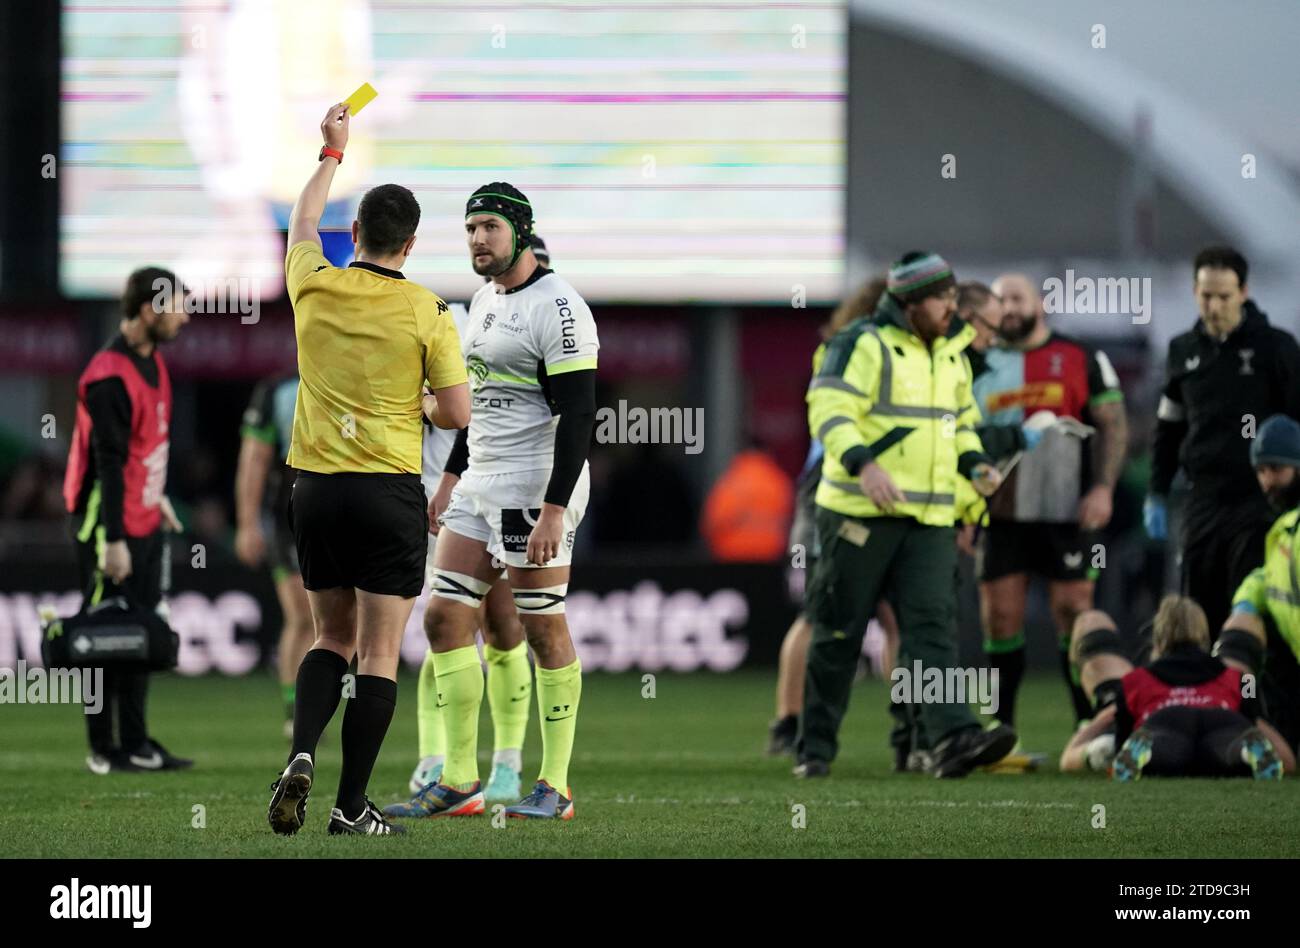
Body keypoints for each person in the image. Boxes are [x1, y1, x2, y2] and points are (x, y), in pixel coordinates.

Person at [266, 102, 470, 837]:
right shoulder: (428, 310)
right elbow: (458, 411)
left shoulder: (312, 282)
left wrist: (333, 153)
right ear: (409, 245)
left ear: (353, 235)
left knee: (329, 638)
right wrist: (420, 404)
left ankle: (299, 753)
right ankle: (351, 807)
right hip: (387, 492)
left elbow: (299, 222)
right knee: (380, 650)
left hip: (314, 489)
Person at [418, 182, 598, 820]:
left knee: (541, 625)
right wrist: (450, 476)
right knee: (443, 617)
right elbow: (481, 403)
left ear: (520, 231)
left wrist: (554, 508)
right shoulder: (482, 299)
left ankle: (555, 785)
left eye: (490, 227)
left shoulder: (561, 306)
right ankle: (460, 778)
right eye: (471, 229)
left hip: (533, 484)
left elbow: (580, 415)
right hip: (479, 481)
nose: (478, 240)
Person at [798, 251, 1015, 779]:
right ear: (911, 302)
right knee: (838, 631)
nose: (950, 306)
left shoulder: (953, 354)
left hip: (930, 519)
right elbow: (827, 410)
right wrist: (864, 466)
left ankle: (952, 738)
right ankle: (815, 749)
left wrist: (977, 464)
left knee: (932, 629)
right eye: (941, 297)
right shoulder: (861, 344)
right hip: (858, 512)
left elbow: (961, 425)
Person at [391, 235, 557, 814]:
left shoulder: (550, 327)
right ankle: (437, 759)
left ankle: (508, 760)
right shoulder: (461, 317)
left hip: (515, 487)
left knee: (507, 622)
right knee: (445, 619)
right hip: (444, 492)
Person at [973, 272, 1128, 729]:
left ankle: (1087, 724)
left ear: (1039, 303)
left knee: (1073, 611)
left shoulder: (1080, 355)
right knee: (1000, 617)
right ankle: (1001, 730)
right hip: (999, 511)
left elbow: (1113, 424)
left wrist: (1103, 488)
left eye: (1017, 297)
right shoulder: (977, 361)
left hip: (1068, 511)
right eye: (1000, 300)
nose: (1009, 307)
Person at [62, 266, 193, 774]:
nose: (184, 316)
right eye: (177, 306)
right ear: (148, 311)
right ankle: (102, 748)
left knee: (140, 630)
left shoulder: (152, 361)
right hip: (106, 521)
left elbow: (145, 448)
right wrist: (111, 540)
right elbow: (108, 464)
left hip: (142, 514)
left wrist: (155, 497)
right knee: (102, 634)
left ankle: (136, 743)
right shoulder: (108, 375)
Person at [1146, 246, 1300, 636]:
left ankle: (1251, 695)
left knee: (1248, 608)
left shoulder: (1276, 348)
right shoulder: (1182, 351)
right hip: (1202, 501)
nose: (1213, 306)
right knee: (1198, 610)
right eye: (1205, 295)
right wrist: (1157, 491)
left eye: (1224, 296)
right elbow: (1169, 427)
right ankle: (1209, 695)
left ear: (1244, 292)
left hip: (1260, 500)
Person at [768, 278, 890, 757]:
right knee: (819, 612)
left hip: (881, 492)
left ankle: (913, 725)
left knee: (887, 614)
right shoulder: (848, 353)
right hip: (834, 490)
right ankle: (789, 721)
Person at [1060, 598, 1292, 779]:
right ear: (1204, 636)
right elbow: (1287, 761)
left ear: (1157, 638)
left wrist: (1100, 720)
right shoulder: (1236, 678)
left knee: (1166, 748)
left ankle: (1147, 752)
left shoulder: (1135, 682)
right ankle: (1244, 752)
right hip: (1223, 718)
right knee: (1226, 748)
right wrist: (1257, 721)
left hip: (1163, 719)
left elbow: (1068, 759)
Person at [234, 373, 312, 738]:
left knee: (336, 619)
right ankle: (295, 708)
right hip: (288, 518)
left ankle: (316, 704)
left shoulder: (350, 373)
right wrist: (248, 523)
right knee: (302, 613)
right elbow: (254, 459)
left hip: (340, 513)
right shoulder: (278, 391)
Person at [1224, 413, 1300, 753]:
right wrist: (1246, 602)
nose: (1268, 481)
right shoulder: (1284, 528)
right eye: (1261, 471)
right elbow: (1268, 576)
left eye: (1277, 470)